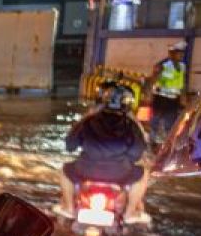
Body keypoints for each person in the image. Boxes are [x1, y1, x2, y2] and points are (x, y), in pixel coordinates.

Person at [56, 82, 150, 224]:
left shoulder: (88, 121)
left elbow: (70, 145)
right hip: (119, 173)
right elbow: (136, 154)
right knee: (143, 173)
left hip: (85, 170)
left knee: (65, 169)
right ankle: (130, 213)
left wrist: (84, 120)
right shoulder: (131, 125)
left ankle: (69, 208)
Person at [148, 40, 188, 144]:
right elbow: (153, 81)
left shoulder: (182, 66)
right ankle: (152, 143)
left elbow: (182, 83)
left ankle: (168, 144)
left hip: (174, 100)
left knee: (170, 124)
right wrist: (149, 95)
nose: (181, 55)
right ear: (172, 53)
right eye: (179, 53)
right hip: (161, 99)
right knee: (155, 122)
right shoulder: (163, 65)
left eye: (182, 53)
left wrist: (183, 99)